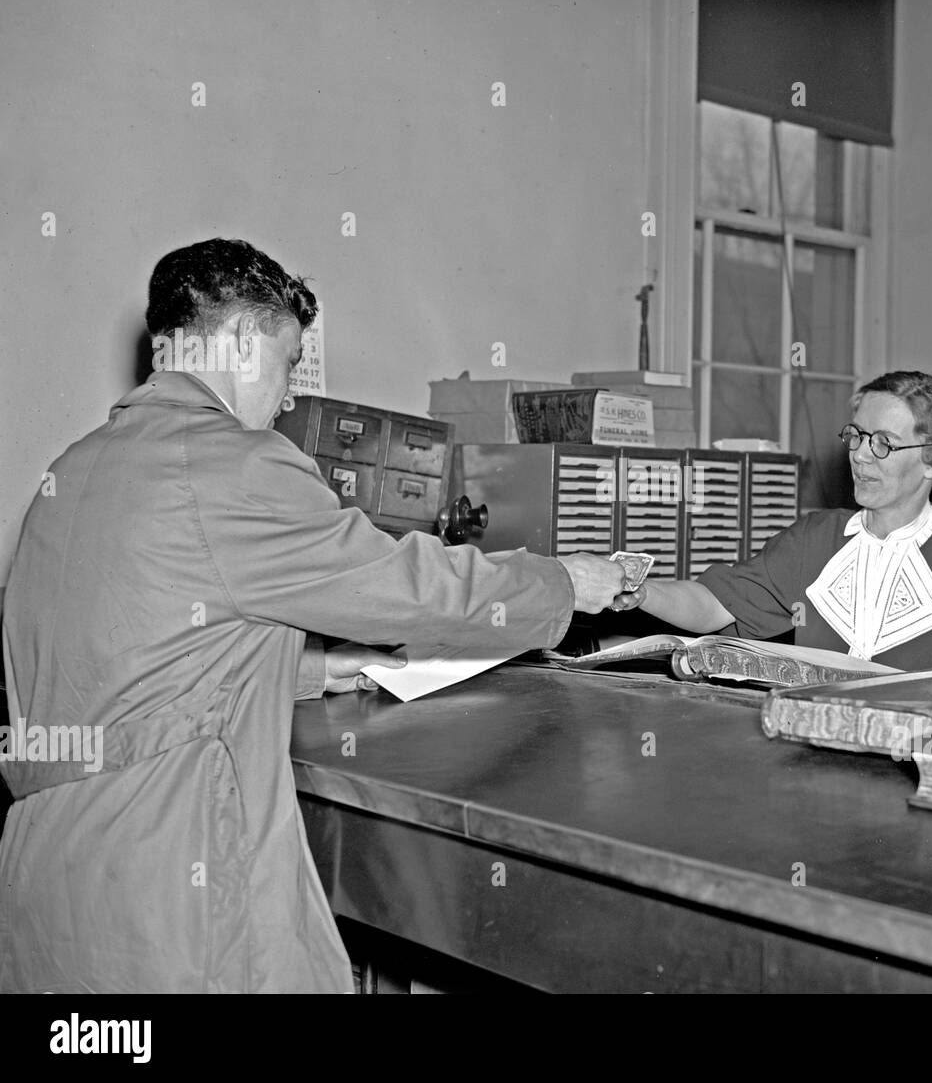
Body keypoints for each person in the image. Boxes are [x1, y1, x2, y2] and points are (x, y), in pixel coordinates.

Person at [0, 238, 625, 993]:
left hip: (49, 893)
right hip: (170, 889)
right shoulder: (234, 463)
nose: (292, 396)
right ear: (238, 341)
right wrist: (562, 582)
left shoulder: (73, 470)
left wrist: (311, 669)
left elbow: (126, 651)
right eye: (289, 361)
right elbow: (408, 582)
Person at [612, 371, 932, 674]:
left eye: (884, 443)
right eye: (857, 435)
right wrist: (643, 593)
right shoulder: (815, 539)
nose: (860, 455)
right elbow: (714, 605)